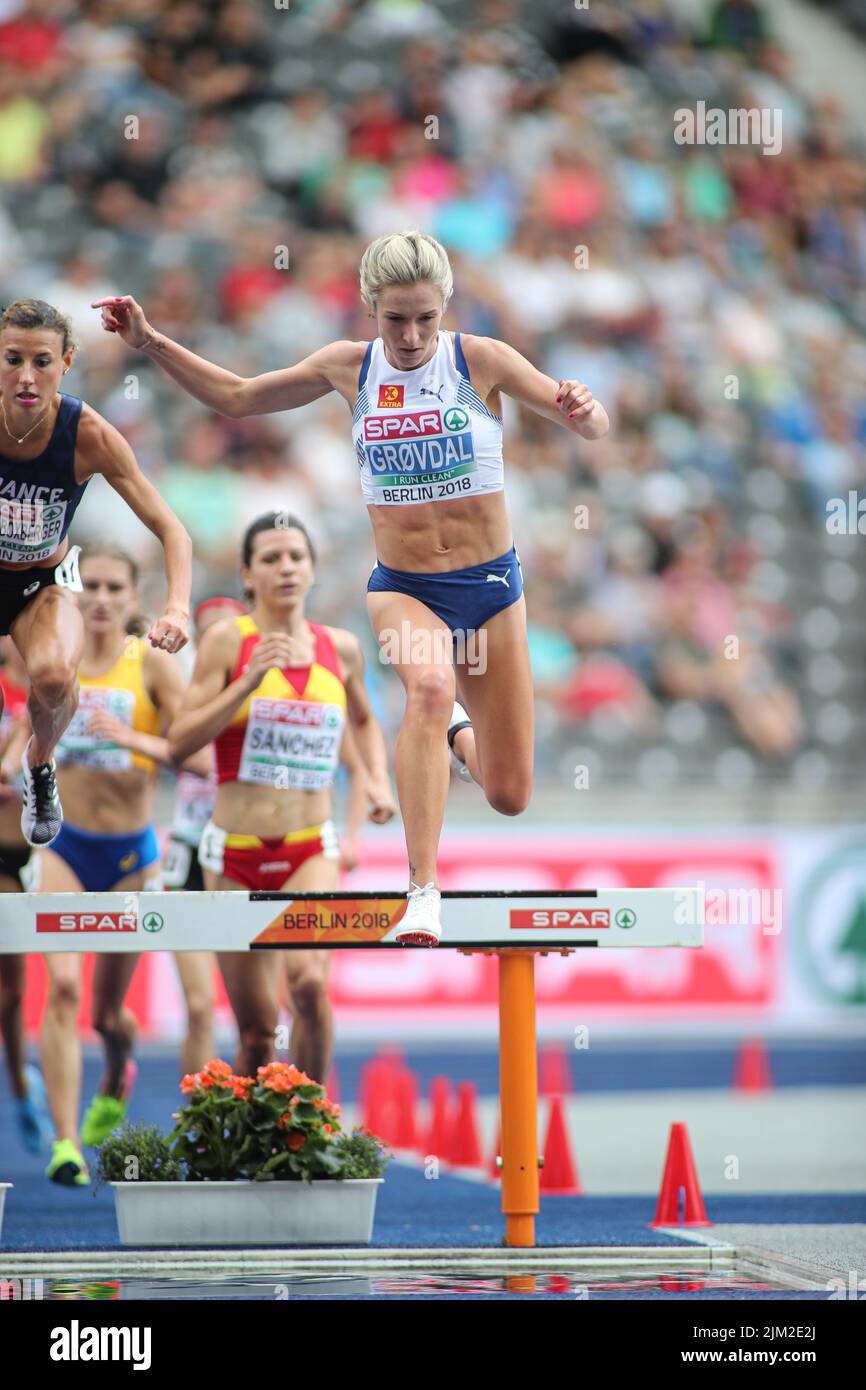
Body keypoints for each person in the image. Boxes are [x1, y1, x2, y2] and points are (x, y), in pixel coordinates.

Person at [94, 228, 609, 944]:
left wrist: (586, 411)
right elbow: (239, 398)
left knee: (509, 794)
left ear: (444, 309)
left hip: (492, 586)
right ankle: (421, 889)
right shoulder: (350, 369)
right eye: (395, 318)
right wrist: (151, 342)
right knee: (427, 688)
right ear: (371, 308)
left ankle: (456, 736)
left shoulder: (478, 359)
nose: (410, 334)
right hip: (404, 586)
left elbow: (584, 419)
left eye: (425, 317)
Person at [168, 512, 395, 1083]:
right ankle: (248, 1144)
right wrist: (245, 684)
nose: (286, 567)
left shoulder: (339, 649)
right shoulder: (226, 641)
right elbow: (178, 743)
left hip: (307, 848)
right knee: (256, 1032)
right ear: (248, 574)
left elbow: (365, 720)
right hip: (233, 856)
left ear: (313, 569)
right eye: (270, 558)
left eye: (296, 556)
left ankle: (312, 1124)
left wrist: (375, 780)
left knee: (310, 986)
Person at [33, 545, 207, 1186]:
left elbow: (199, 759)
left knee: (107, 1015)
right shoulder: (53, 661)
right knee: (65, 989)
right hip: (64, 847)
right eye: (90, 587)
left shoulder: (154, 668)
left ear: (135, 599)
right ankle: (65, 1142)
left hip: (132, 854)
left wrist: (133, 738)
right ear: (73, 596)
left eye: (115, 587)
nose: (101, 598)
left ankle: (115, 1067)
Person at [0, 297, 191, 849]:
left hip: (41, 584)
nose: (27, 377)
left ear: (68, 362)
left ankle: (40, 765)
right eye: (12, 360)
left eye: (42, 361)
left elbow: (171, 529)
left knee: (56, 678)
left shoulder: (89, 435)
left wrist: (177, 605)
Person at [163, 594, 247, 1077]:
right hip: (189, 848)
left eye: (229, 629)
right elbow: (180, 751)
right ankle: (201, 1130)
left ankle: (260, 1123)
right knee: (198, 1008)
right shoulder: (180, 684)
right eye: (209, 629)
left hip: (243, 846)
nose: (220, 638)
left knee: (252, 1013)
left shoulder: (268, 683)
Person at [0, 637, 52, 1152]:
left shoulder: (57, 688)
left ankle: (21, 1085)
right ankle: (19, 1083)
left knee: (13, 996)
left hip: (33, 858)